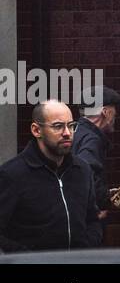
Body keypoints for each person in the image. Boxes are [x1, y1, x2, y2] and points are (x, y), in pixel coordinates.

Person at [0, 100, 102, 253]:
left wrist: (85, 249)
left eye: (71, 125)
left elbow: (93, 220)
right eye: (58, 126)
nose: (67, 133)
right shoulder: (12, 174)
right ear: (36, 130)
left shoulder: (82, 170)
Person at [72, 87, 120, 245]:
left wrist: (105, 192)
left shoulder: (77, 132)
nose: (115, 117)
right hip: (87, 223)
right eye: (114, 112)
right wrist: (100, 202)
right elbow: (85, 170)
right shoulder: (92, 139)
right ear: (106, 112)